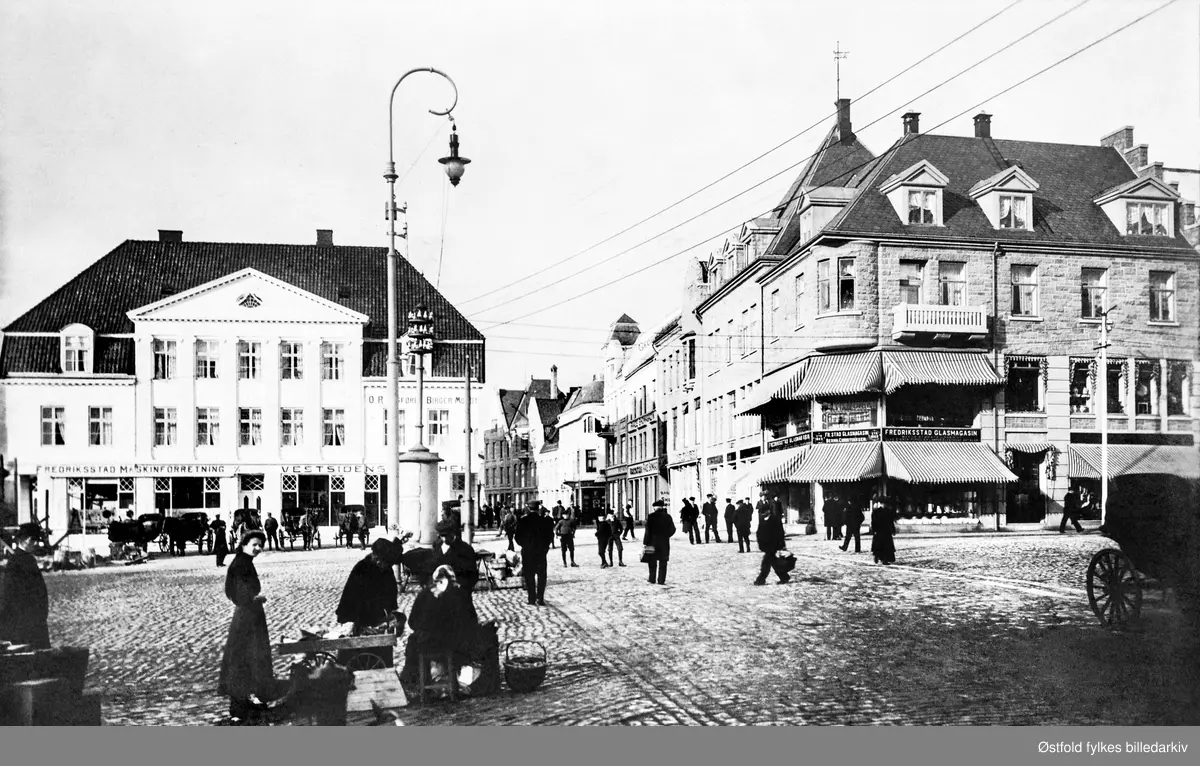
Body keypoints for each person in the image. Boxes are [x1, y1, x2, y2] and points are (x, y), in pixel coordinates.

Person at [217, 530, 279, 723]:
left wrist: (251, 598)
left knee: (249, 657)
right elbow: (234, 591)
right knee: (243, 657)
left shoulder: (243, 561)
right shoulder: (240, 564)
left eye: (261, 545)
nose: (258, 548)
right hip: (247, 616)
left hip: (249, 614)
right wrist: (251, 598)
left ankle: (249, 700)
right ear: (243, 544)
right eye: (254, 544)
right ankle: (239, 707)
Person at [399, 565, 478, 686]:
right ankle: (455, 680)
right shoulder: (462, 594)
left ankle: (415, 681)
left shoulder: (425, 594)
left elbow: (413, 622)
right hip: (456, 644)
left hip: (428, 643)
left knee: (414, 643)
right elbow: (471, 620)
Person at [335, 537, 403, 667]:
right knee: (358, 652)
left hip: (378, 617)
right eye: (386, 563)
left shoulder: (386, 570)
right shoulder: (362, 569)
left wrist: (390, 611)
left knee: (382, 647)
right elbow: (353, 598)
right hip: (358, 617)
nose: (388, 566)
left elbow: (391, 592)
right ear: (377, 559)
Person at [0, 524, 51, 649]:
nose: (35, 544)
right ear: (25, 540)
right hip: (25, 619)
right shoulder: (17, 561)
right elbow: (9, 593)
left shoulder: (26, 558)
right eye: (33, 540)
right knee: (32, 653)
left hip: (34, 618)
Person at [516, 506, 554, 606]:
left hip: (528, 553)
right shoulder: (545, 521)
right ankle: (540, 598)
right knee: (542, 576)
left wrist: (525, 545)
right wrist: (545, 548)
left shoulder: (523, 521)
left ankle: (531, 599)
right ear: (538, 509)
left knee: (529, 575)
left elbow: (517, 537)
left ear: (528, 508)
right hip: (541, 553)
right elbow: (550, 536)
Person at [434, 515, 479, 595]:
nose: (444, 539)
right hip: (441, 594)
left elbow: (473, 575)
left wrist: (462, 586)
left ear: (453, 533)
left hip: (460, 593)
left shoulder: (466, 549)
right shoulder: (437, 546)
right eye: (442, 536)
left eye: (446, 535)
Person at [754, 501, 789, 586]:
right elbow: (759, 533)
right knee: (774, 563)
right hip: (766, 546)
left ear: (768, 511)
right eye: (762, 512)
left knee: (766, 564)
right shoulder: (762, 521)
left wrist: (782, 545)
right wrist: (760, 544)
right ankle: (784, 577)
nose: (762, 514)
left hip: (773, 545)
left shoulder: (775, 520)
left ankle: (760, 580)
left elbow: (780, 533)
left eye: (764, 512)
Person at [643, 500, 676, 585]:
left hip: (652, 543)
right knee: (663, 562)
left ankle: (652, 579)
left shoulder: (650, 517)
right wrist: (666, 535)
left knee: (652, 561)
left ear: (654, 508)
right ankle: (661, 580)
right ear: (662, 507)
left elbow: (647, 531)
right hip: (664, 543)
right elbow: (673, 529)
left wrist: (645, 542)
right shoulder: (668, 517)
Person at [870, 495, 896, 565]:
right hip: (881, 530)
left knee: (883, 546)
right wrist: (874, 530)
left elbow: (891, 522)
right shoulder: (880, 512)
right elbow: (874, 522)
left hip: (883, 531)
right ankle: (880, 557)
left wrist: (893, 530)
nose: (884, 505)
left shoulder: (885, 512)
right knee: (882, 546)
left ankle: (881, 558)